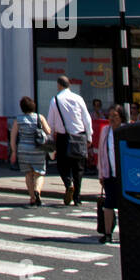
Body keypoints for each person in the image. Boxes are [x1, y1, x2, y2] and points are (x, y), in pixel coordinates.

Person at [47, 74, 93, 206]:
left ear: (59, 85)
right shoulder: (78, 98)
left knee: (62, 165)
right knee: (78, 168)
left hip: (63, 137)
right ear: (69, 85)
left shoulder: (55, 100)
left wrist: (50, 139)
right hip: (79, 136)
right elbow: (86, 119)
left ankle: (68, 184)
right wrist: (89, 136)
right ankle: (77, 197)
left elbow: (51, 122)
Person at [10, 96, 52, 206]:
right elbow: (48, 131)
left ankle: (32, 197)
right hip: (38, 149)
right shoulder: (40, 117)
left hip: (23, 149)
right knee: (39, 173)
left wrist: (14, 151)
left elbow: (13, 137)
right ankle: (38, 190)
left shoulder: (18, 120)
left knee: (28, 174)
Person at [97, 104, 123, 243]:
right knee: (108, 204)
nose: (112, 119)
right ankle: (107, 233)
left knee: (124, 205)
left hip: (124, 175)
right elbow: (101, 153)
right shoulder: (105, 131)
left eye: (115, 116)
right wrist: (101, 173)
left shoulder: (126, 130)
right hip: (109, 173)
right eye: (110, 116)